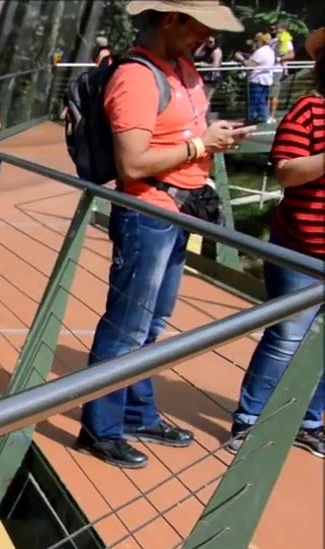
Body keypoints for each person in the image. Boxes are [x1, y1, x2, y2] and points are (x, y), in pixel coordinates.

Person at [76, 0, 251, 470]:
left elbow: (182, 133)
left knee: (151, 327)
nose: (207, 37)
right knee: (126, 328)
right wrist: (200, 144)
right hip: (148, 212)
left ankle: (137, 413)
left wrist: (214, 138)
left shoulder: (183, 68)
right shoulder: (136, 76)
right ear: (170, 19)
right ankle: (100, 429)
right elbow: (131, 162)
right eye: (199, 26)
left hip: (180, 211)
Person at [227, 26, 325, 460]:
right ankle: (249, 421)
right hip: (301, 248)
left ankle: (310, 421)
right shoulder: (308, 109)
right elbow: (286, 171)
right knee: (287, 336)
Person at [236, 33, 276, 123]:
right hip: (266, 79)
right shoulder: (270, 51)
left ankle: (250, 117)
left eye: (256, 41)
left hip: (257, 79)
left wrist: (241, 58)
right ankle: (262, 116)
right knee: (261, 100)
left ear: (260, 41)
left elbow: (250, 65)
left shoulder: (260, 52)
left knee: (253, 101)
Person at [270, 20, 296, 117]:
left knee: (273, 94)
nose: (274, 29)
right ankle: (265, 115)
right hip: (268, 69)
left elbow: (291, 55)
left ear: (282, 29)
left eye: (276, 28)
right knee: (268, 94)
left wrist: (279, 59)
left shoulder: (285, 39)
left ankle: (271, 116)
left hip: (276, 70)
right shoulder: (273, 40)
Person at [193, 35, 223, 100]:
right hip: (205, 77)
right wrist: (204, 44)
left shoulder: (216, 51)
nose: (209, 43)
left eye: (210, 42)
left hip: (212, 79)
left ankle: (207, 110)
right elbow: (196, 54)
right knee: (202, 98)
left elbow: (216, 65)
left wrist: (205, 65)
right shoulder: (207, 49)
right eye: (208, 41)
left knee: (206, 99)